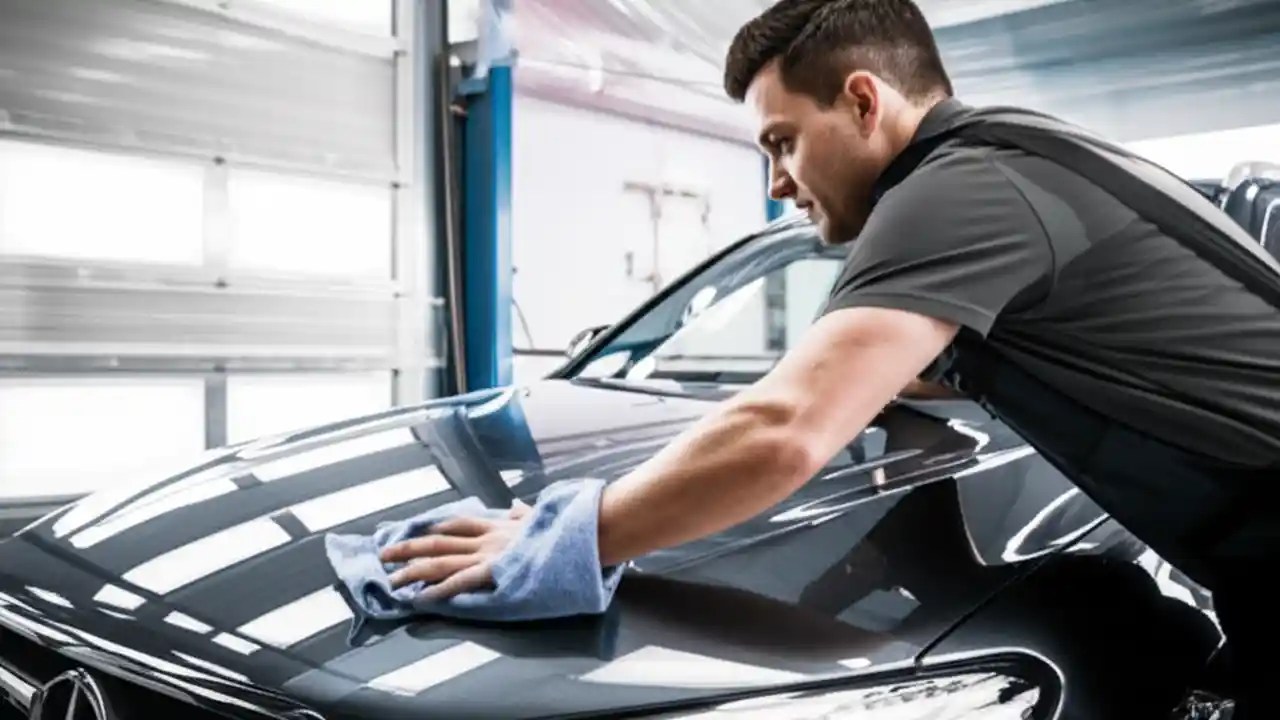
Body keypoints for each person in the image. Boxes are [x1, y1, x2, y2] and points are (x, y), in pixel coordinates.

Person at [381, 0, 1278, 713]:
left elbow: (784, 430)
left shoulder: (960, 186)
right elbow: (900, 370)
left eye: (782, 141)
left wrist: (562, 539)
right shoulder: (1009, 157)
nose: (777, 181)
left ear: (862, 101)